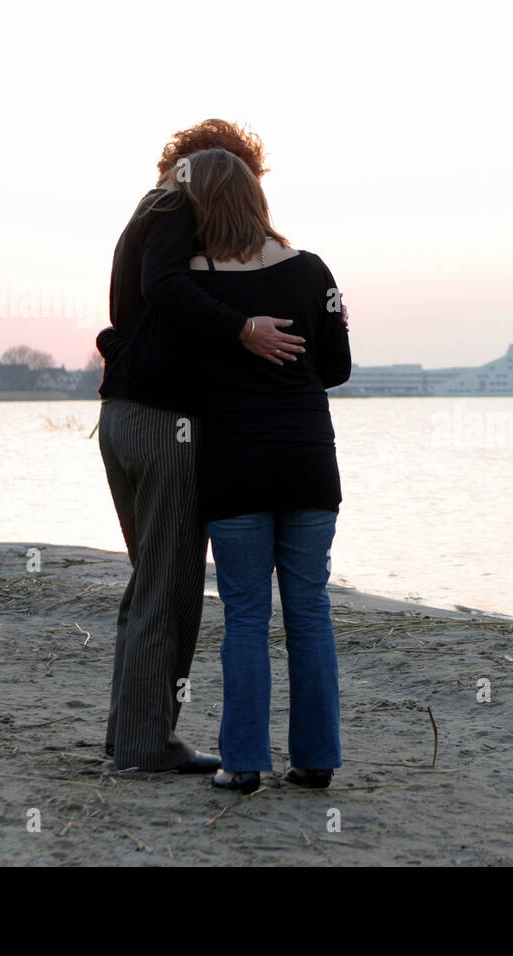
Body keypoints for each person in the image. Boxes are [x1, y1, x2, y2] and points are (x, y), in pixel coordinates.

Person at [96, 120, 307, 773]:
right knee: (173, 587)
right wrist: (242, 328)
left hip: (125, 415)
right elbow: (164, 287)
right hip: (162, 423)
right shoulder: (173, 206)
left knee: (151, 582)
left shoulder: (147, 210)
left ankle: (128, 736)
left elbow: (152, 303)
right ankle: (144, 746)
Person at [173, 148, 350, 794]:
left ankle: (243, 763)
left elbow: (182, 372)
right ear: (256, 200)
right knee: (309, 606)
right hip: (307, 456)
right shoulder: (313, 270)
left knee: (245, 612)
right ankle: (317, 760)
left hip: (235, 464)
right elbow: (336, 367)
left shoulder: (192, 281)